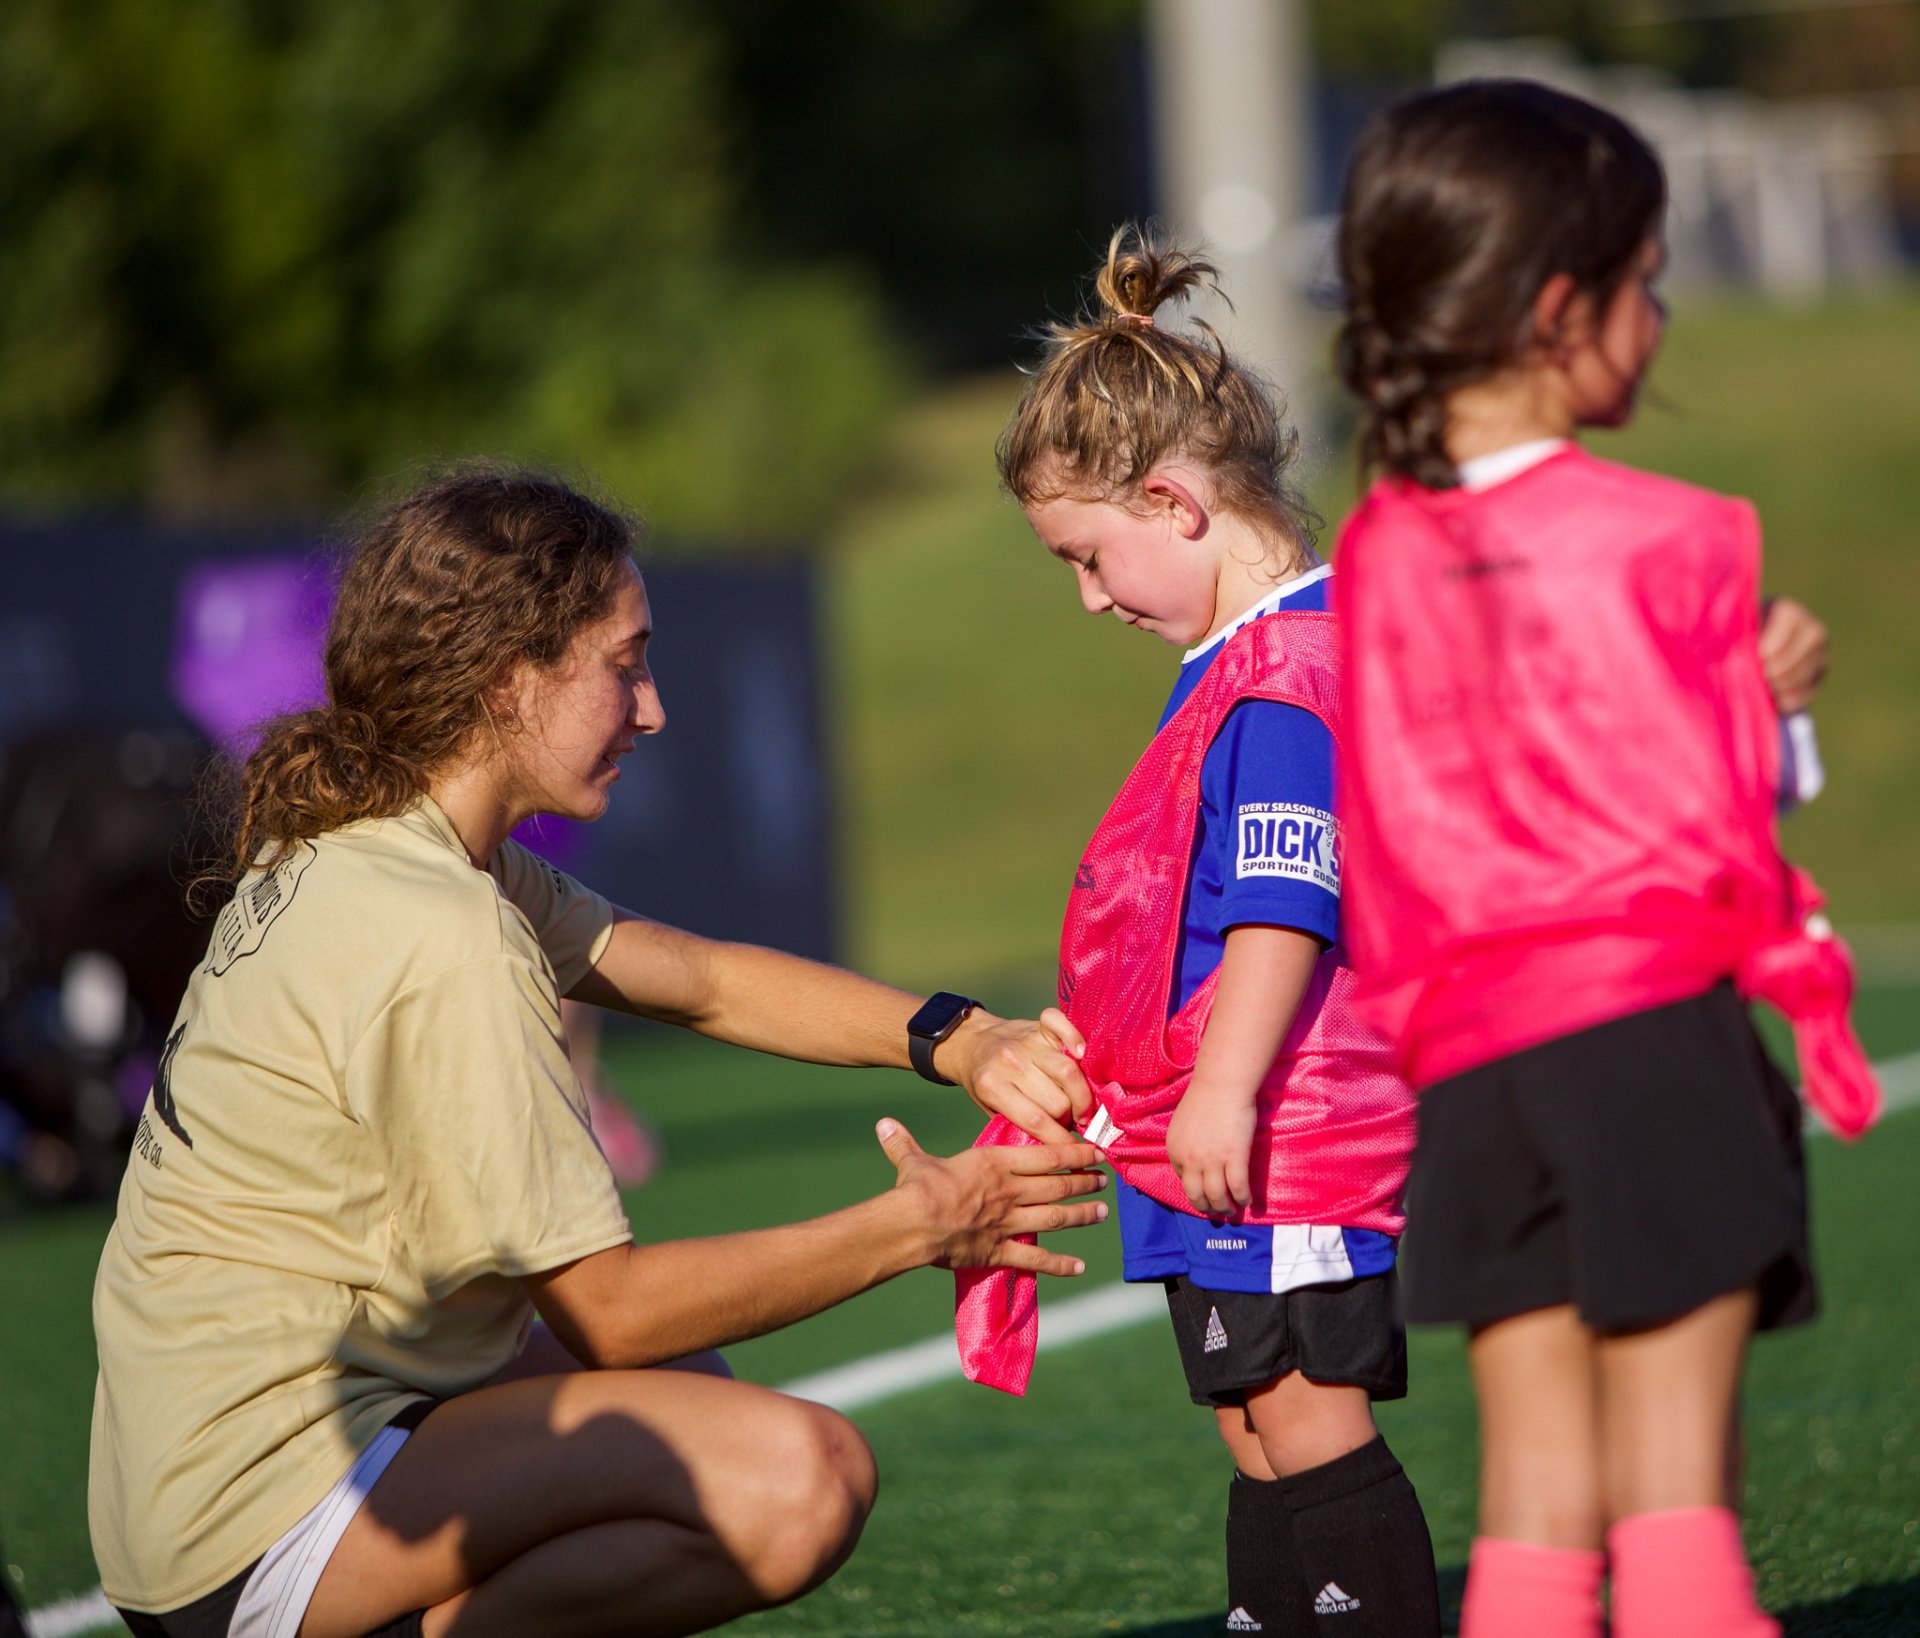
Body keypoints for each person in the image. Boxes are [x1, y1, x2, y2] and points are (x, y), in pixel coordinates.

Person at [88, 469, 1108, 1638]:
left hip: (199, 1478)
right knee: (796, 1481)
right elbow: (609, 1314)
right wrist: (925, 1226)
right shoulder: (441, 930)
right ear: (507, 679)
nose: (655, 707)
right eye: (624, 664)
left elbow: (705, 980)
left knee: (686, 1399)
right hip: (246, 1524)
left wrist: (958, 1038)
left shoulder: (377, 841)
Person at [1330, 80, 1878, 1638]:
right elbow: (1718, 816)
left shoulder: (1370, 552)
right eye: (1647, 284)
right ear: (1561, 308)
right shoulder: (1676, 534)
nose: (1661, 315)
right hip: (1648, 1037)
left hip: (1473, 1070)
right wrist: (1768, 709)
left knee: (1534, 1511)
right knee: (1677, 1504)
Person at [970, 226, 1442, 1638]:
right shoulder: (1229, 664)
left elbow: (1287, 898)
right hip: (1209, 1132)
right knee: (1251, 1417)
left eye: (1090, 555)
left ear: (1175, 501)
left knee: (1306, 1411)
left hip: (1285, 1128)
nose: (1090, 596)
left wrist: (1228, 1085)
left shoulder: (1286, 674)